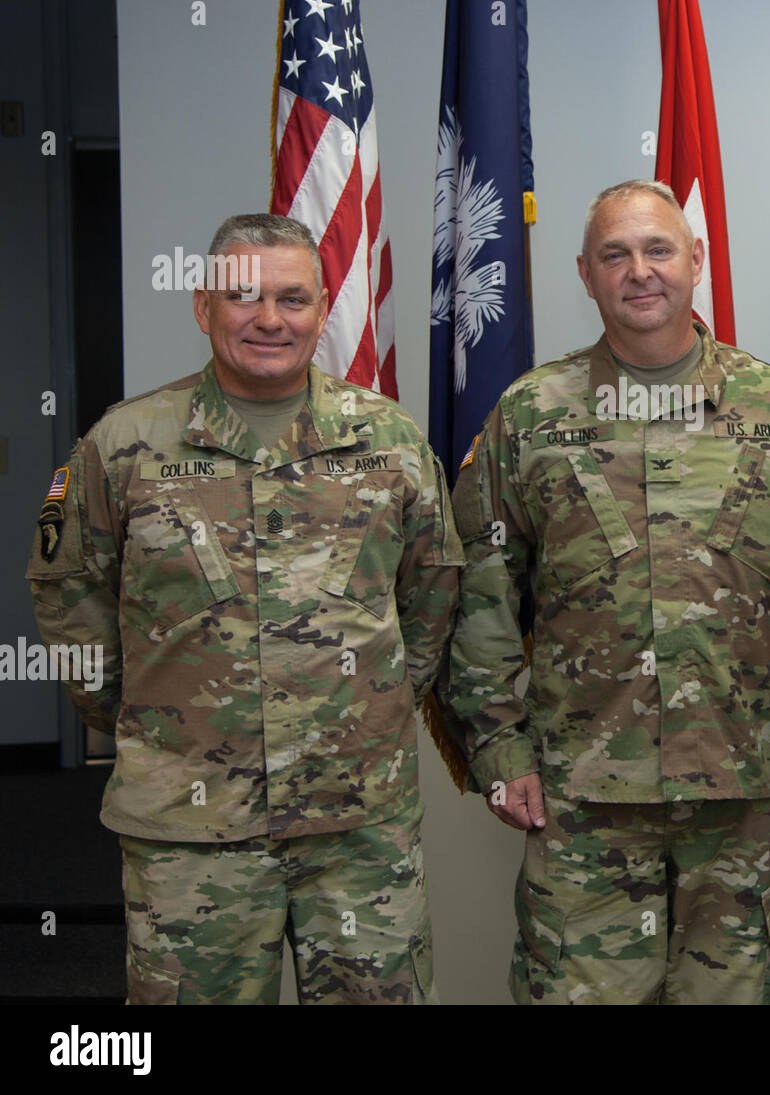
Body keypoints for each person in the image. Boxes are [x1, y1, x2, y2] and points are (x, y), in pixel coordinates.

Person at [26, 214, 463, 1004]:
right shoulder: (124, 444)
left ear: (323, 309)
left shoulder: (389, 439)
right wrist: (145, 717)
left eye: (293, 298)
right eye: (245, 296)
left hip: (357, 819)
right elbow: (69, 594)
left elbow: (431, 591)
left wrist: (379, 702)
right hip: (191, 829)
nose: (270, 318)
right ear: (203, 307)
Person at [440, 179, 770, 1005]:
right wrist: (499, 750)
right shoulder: (531, 414)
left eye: (659, 248)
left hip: (739, 795)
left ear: (695, 260)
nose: (640, 271)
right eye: (615, 255)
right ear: (586, 275)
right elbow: (479, 600)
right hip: (584, 799)